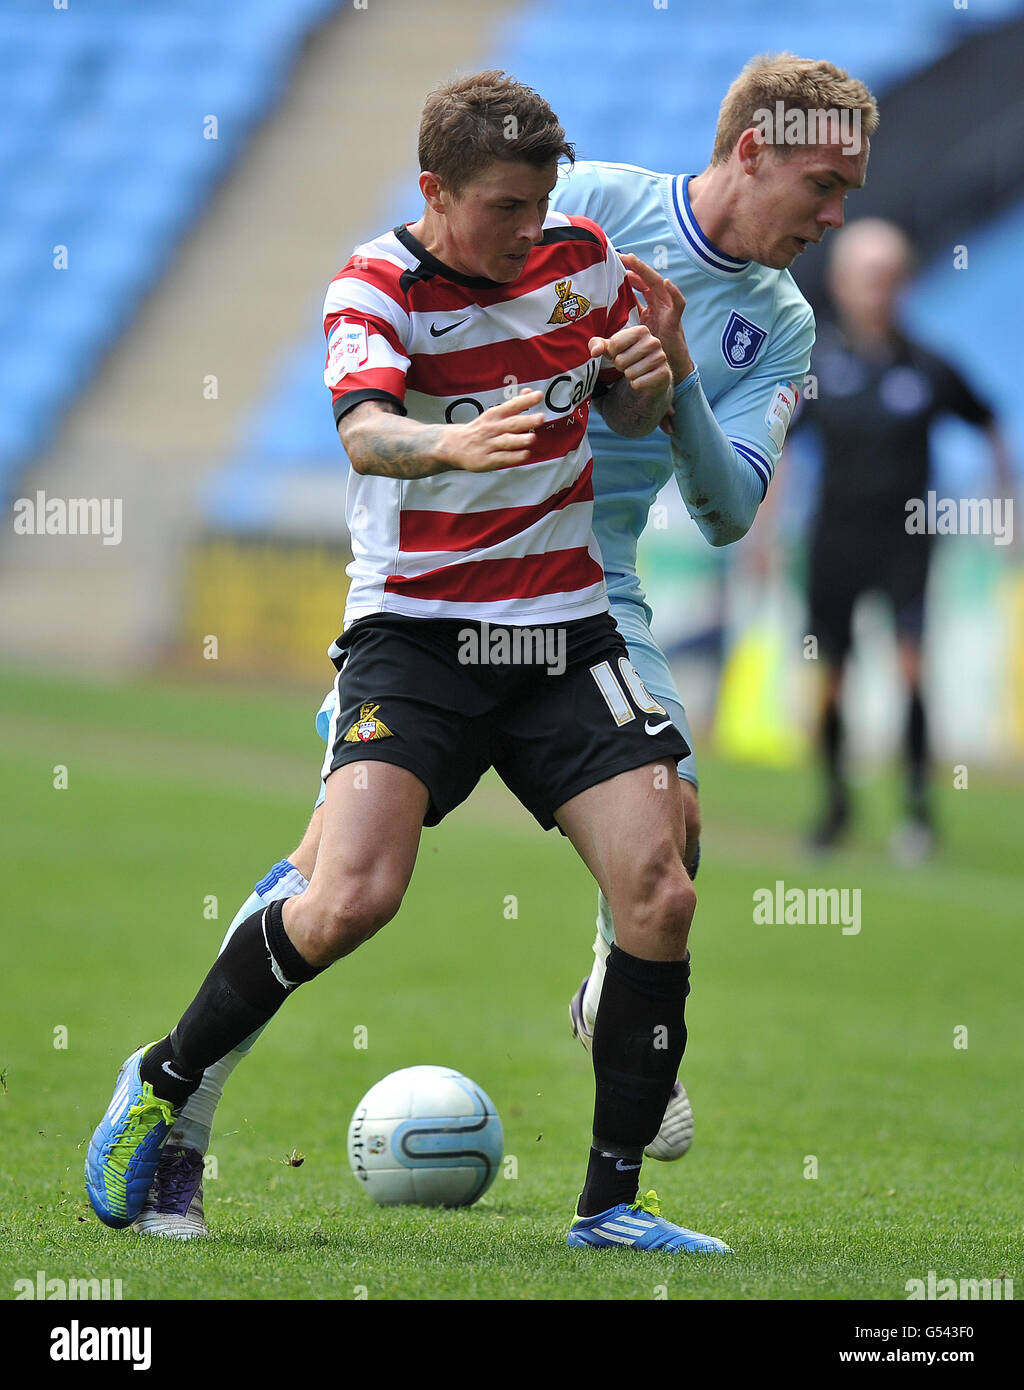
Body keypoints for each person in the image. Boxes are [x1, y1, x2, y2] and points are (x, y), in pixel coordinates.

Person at [128, 54, 878, 1240]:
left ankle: (608, 1059)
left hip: (593, 576)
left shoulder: (780, 324)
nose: (837, 213)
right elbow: (424, 312)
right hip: (435, 586)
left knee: (666, 840)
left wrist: (675, 375)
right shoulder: (586, 212)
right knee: (338, 883)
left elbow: (729, 510)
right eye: (824, 181)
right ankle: (182, 1102)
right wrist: (433, 446)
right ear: (751, 151)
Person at [796, 218, 1013, 858]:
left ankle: (918, 811)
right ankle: (833, 807)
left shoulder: (929, 366)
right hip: (834, 538)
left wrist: (1006, 506)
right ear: (841, 283)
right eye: (868, 277)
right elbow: (779, 444)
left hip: (908, 542)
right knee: (829, 675)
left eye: (891, 278)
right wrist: (754, 525)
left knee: (912, 671)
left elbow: (990, 420)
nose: (879, 290)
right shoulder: (819, 364)